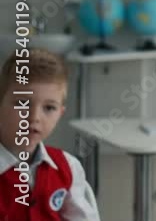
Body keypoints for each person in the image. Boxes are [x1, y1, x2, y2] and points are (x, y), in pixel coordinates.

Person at [0, 48, 100, 220]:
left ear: (60, 113)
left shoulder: (68, 167)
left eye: (49, 108)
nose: (34, 117)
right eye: (23, 103)